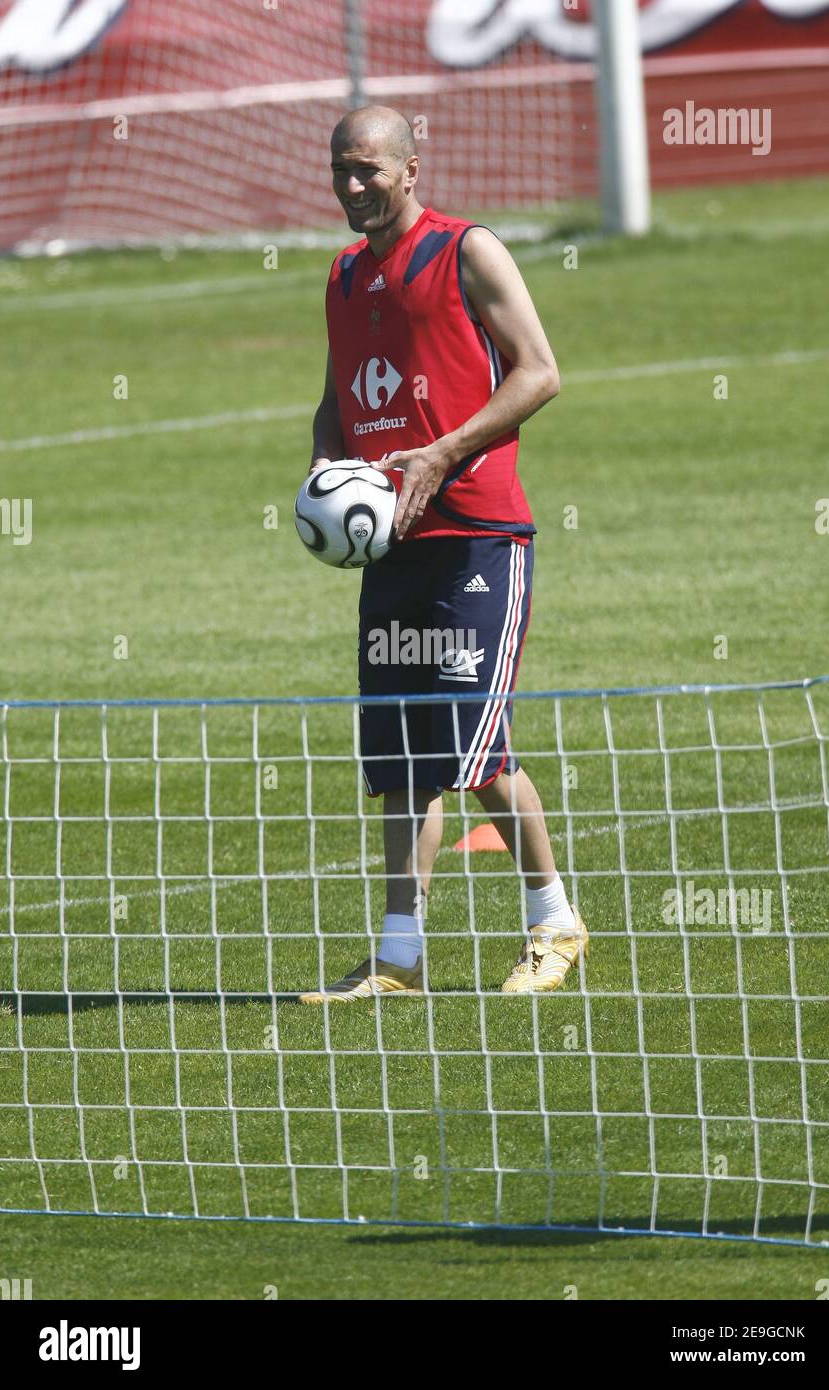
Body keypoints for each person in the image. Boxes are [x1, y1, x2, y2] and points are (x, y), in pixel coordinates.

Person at [300, 105, 588, 1003]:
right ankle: (399, 957)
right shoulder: (345, 276)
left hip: (477, 537)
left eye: (369, 171)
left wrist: (444, 450)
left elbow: (540, 371)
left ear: (411, 169)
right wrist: (323, 474)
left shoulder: (467, 251)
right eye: (341, 170)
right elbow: (335, 399)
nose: (353, 187)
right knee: (399, 762)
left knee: (476, 751)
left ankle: (555, 924)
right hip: (394, 547)